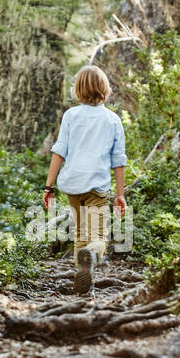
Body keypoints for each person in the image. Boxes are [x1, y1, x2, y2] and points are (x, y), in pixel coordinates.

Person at [43, 64, 127, 294]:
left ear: (79, 89)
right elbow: (118, 160)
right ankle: (91, 256)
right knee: (99, 237)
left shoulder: (71, 115)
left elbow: (59, 152)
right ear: (105, 88)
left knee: (80, 234)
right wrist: (120, 195)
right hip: (97, 186)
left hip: (72, 185)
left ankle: (84, 287)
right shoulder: (112, 120)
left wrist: (48, 187)